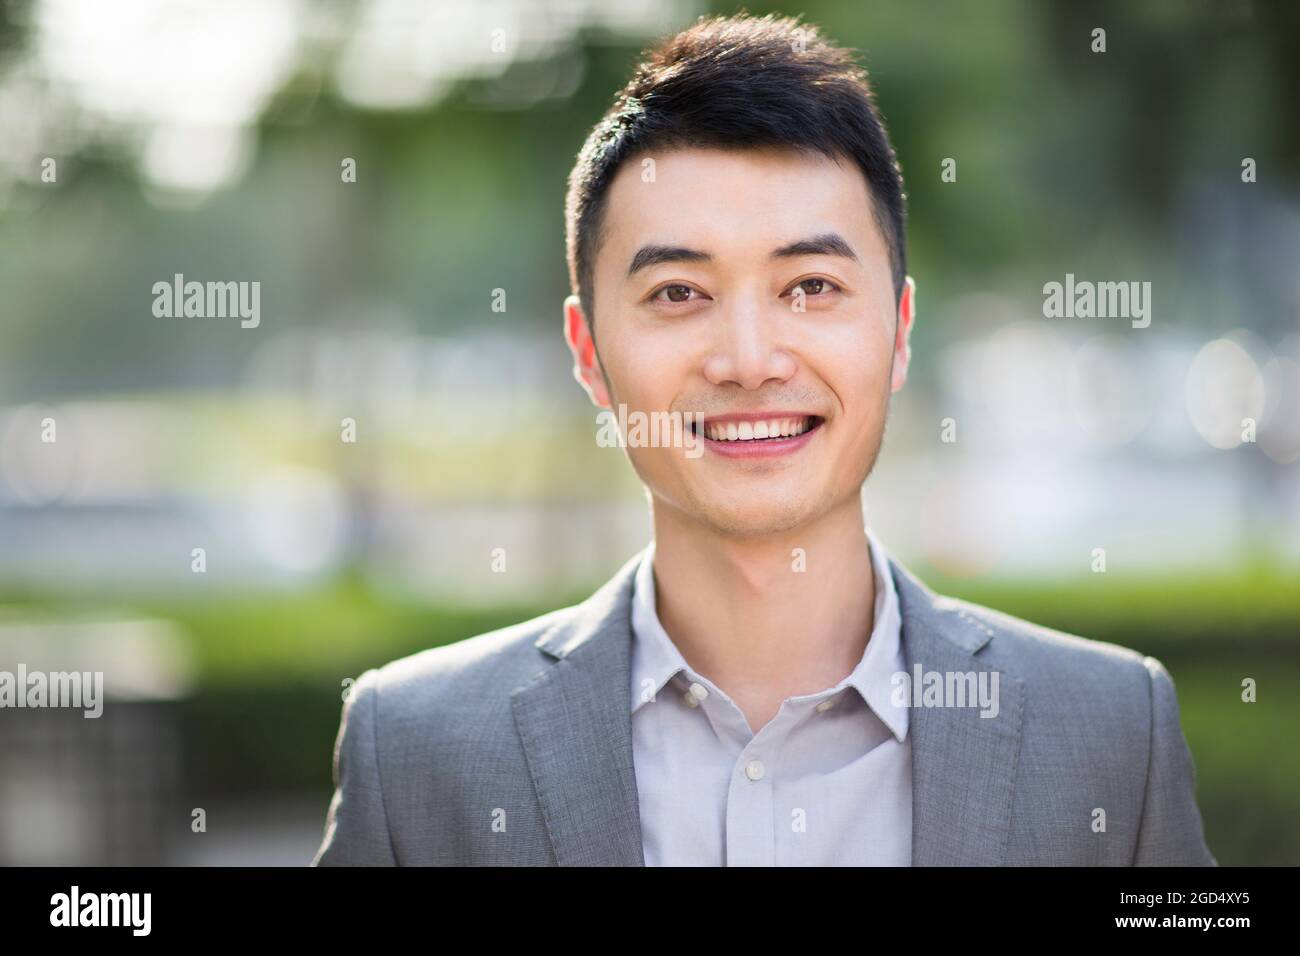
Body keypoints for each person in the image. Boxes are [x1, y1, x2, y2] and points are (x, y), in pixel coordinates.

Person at [313, 13, 1215, 866]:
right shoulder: (418, 751)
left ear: (900, 333)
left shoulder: (1111, 735)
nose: (748, 361)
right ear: (588, 353)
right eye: (678, 294)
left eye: (811, 287)